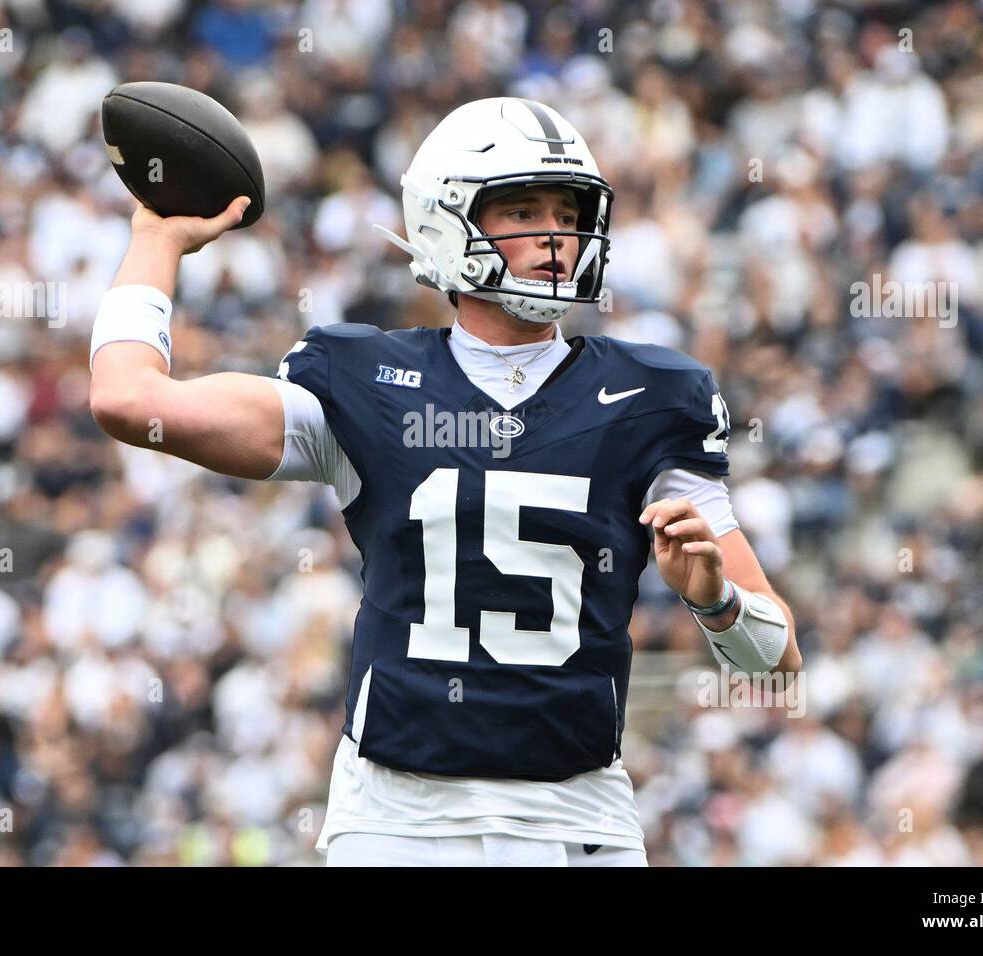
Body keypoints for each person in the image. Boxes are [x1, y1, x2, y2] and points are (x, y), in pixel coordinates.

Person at [89, 97, 801, 867]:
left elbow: (777, 658)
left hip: (577, 819)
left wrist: (713, 599)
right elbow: (130, 401)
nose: (555, 238)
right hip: (397, 820)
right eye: (522, 211)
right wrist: (154, 241)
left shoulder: (654, 394)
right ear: (445, 220)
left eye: (567, 212)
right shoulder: (361, 379)